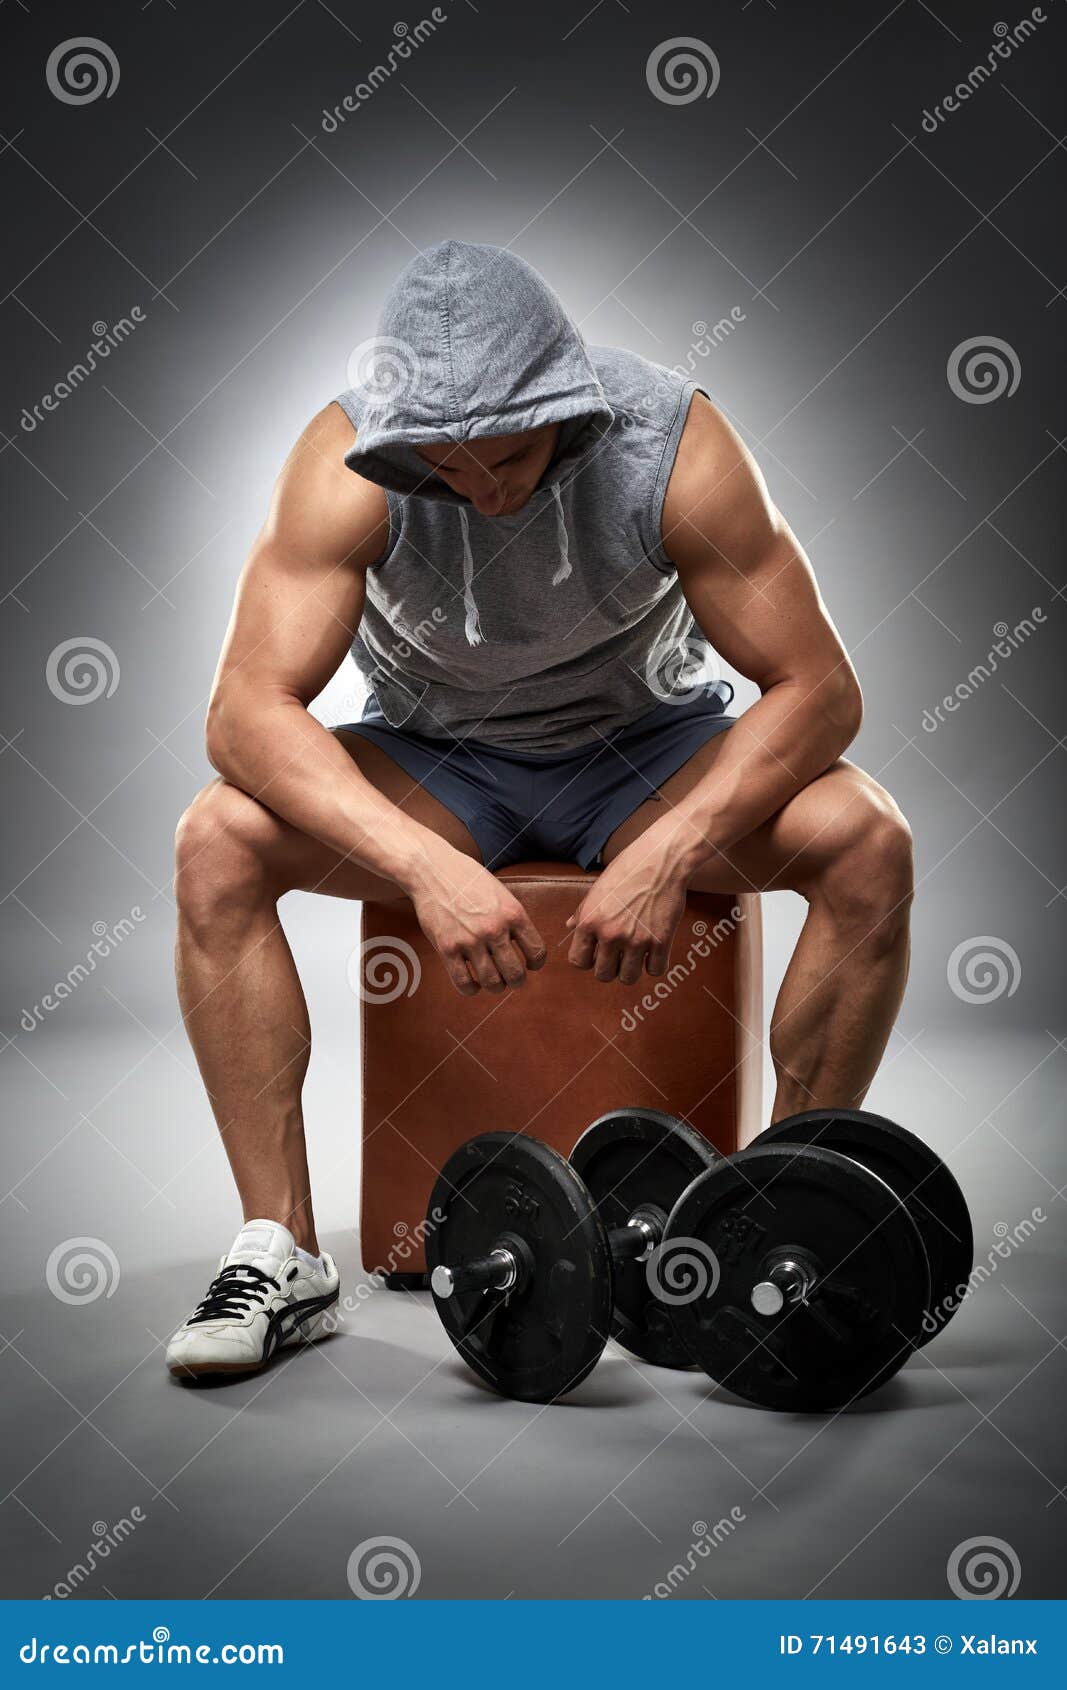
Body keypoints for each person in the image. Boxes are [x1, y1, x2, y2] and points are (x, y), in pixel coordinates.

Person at [165, 240, 912, 1378]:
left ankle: (778, 1207)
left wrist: (673, 847)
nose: (482, 488)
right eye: (448, 468)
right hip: (439, 765)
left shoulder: (673, 447)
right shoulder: (346, 463)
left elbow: (821, 688)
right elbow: (242, 715)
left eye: (507, 456)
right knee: (216, 839)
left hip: (644, 754)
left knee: (867, 840)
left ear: (569, 407)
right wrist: (421, 863)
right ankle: (283, 1254)